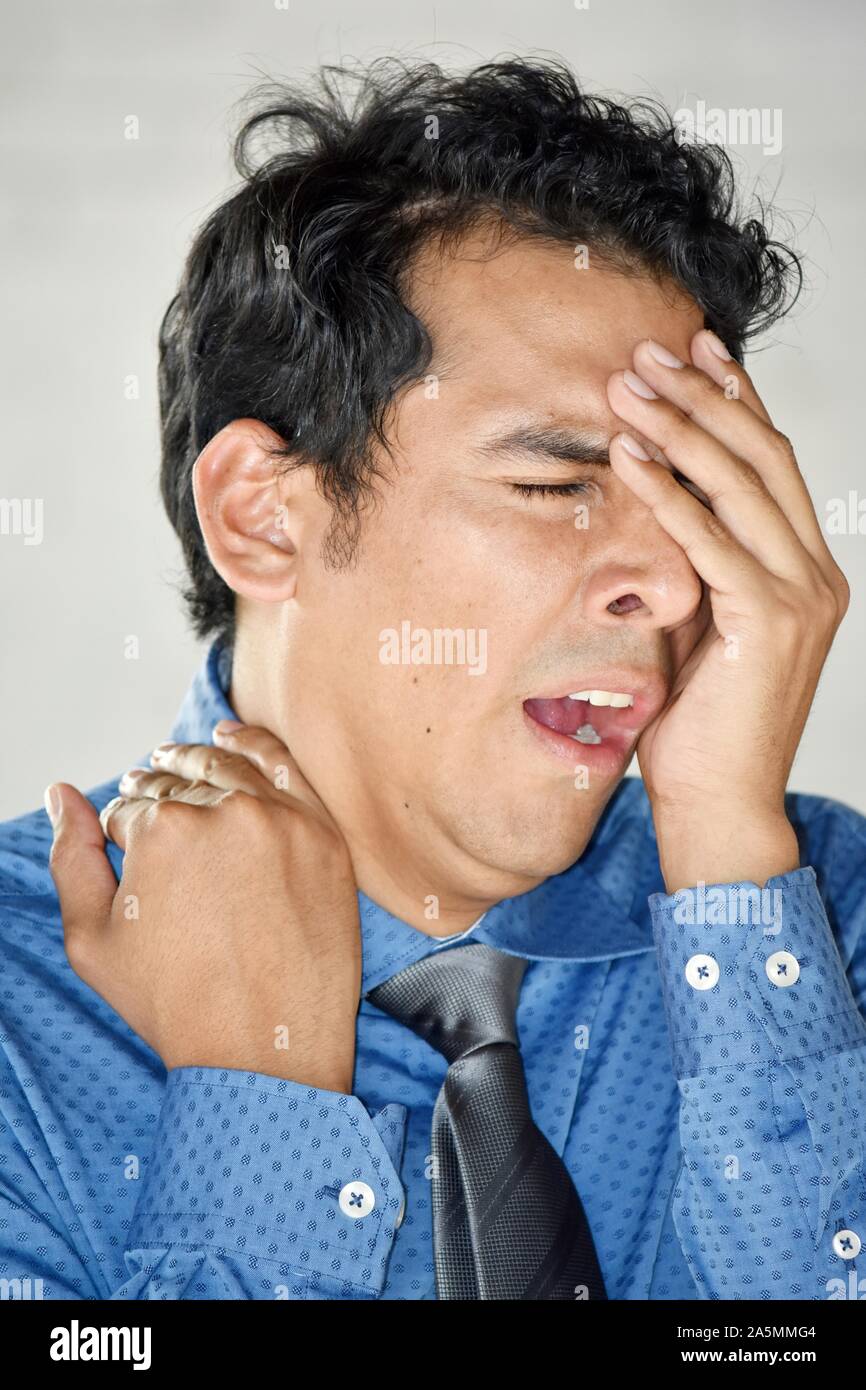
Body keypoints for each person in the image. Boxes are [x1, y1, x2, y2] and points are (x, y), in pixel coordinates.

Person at [2, 56, 863, 1302]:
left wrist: (733, 854)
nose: (673, 589)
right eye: (555, 485)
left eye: (691, 499)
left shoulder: (823, 928)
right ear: (263, 516)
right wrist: (263, 1091)